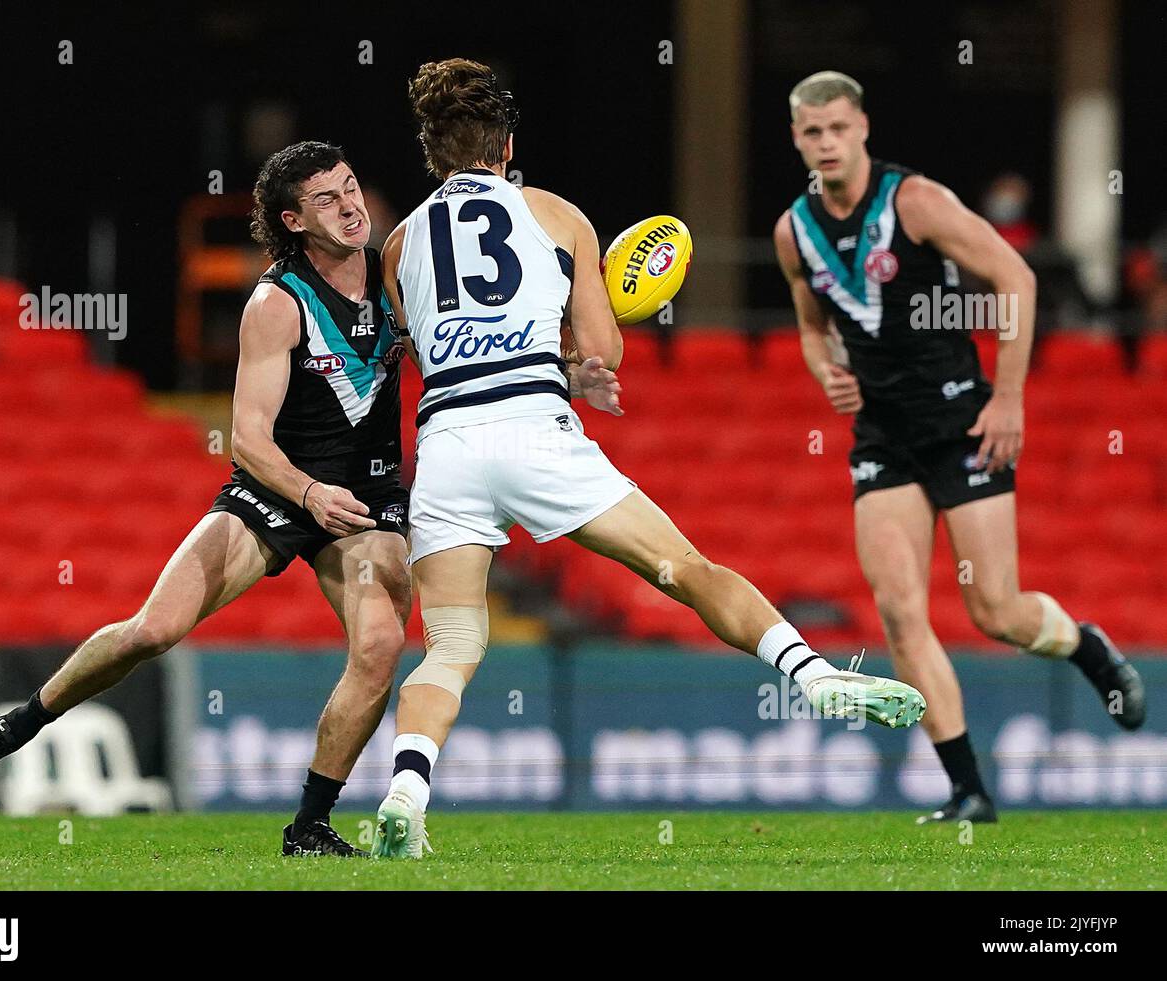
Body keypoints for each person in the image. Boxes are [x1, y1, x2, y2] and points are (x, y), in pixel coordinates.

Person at [369, 58, 927, 860]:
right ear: (508, 142)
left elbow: (434, 348)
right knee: (685, 568)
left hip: (449, 442)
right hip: (535, 432)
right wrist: (572, 356)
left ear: (434, 149)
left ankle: (406, 790)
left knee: (451, 646)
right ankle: (813, 674)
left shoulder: (397, 243)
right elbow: (602, 349)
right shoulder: (560, 217)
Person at [0, 142, 411, 857]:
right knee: (153, 629)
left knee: (380, 644)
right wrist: (308, 490)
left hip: (364, 499)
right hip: (279, 487)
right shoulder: (278, 303)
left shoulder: (399, 273)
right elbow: (247, 439)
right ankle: (17, 725)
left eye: (351, 188)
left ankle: (309, 824)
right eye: (327, 200)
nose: (350, 205)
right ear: (292, 219)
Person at [772, 71, 1145, 824]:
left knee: (996, 611)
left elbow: (1014, 276)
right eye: (812, 133)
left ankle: (1086, 647)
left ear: (863, 128)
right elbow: (813, 328)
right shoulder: (794, 231)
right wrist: (825, 372)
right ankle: (968, 789)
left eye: (838, 128)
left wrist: (1007, 397)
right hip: (881, 435)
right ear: (796, 139)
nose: (827, 143)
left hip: (959, 423)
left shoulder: (916, 200)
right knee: (900, 612)